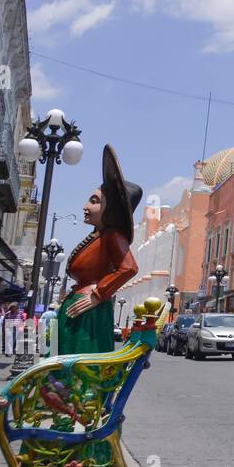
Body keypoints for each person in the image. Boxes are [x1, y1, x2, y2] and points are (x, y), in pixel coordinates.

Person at [56, 145, 142, 355]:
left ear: (109, 209)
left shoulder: (112, 236)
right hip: (81, 308)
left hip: (89, 312)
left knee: (81, 362)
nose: (86, 206)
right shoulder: (99, 235)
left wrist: (98, 294)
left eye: (94, 202)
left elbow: (129, 268)